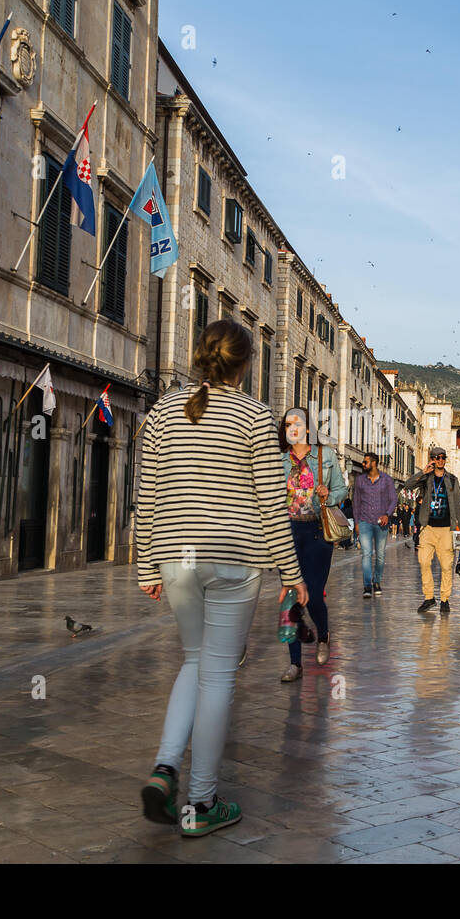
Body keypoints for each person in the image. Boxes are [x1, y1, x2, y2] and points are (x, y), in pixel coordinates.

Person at [135, 320, 307, 838]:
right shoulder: (255, 417)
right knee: (218, 674)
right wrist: (292, 573)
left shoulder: (162, 411)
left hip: (175, 558)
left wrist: (146, 565)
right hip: (234, 559)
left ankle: (165, 768)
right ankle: (202, 800)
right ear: (246, 364)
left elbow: (147, 494)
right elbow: (271, 505)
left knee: (194, 661)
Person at [279, 407, 348, 680]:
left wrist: (329, 494)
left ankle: (323, 634)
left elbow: (342, 489)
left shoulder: (325, 455)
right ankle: (295, 663)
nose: (292, 429)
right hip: (288, 533)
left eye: (296, 423)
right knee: (291, 597)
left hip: (318, 532)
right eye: (287, 424)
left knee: (315, 594)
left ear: (308, 428)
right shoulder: (280, 459)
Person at [404, 446, 460, 613]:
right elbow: (408, 486)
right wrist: (422, 472)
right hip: (428, 528)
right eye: (437, 457)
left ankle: (445, 599)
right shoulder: (426, 478)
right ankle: (429, 598)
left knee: (446, 565)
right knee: (424, 561)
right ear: (431, 459)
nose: (440, 460)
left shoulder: (452, 479)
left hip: (446, 529)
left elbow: (458, 504)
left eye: (443, 457)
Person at [353, 451, 397, 597]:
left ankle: (376, 581)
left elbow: (393, 499)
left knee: (380, 555)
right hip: (364, 521)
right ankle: (367, 586)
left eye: (365, 462)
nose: (363, 464)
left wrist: (387, 514)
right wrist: (356, 522)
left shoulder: (387, 480)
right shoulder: (359, 480)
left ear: (374, 463)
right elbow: (356, 502)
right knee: (366, 554)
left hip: (381, 523)